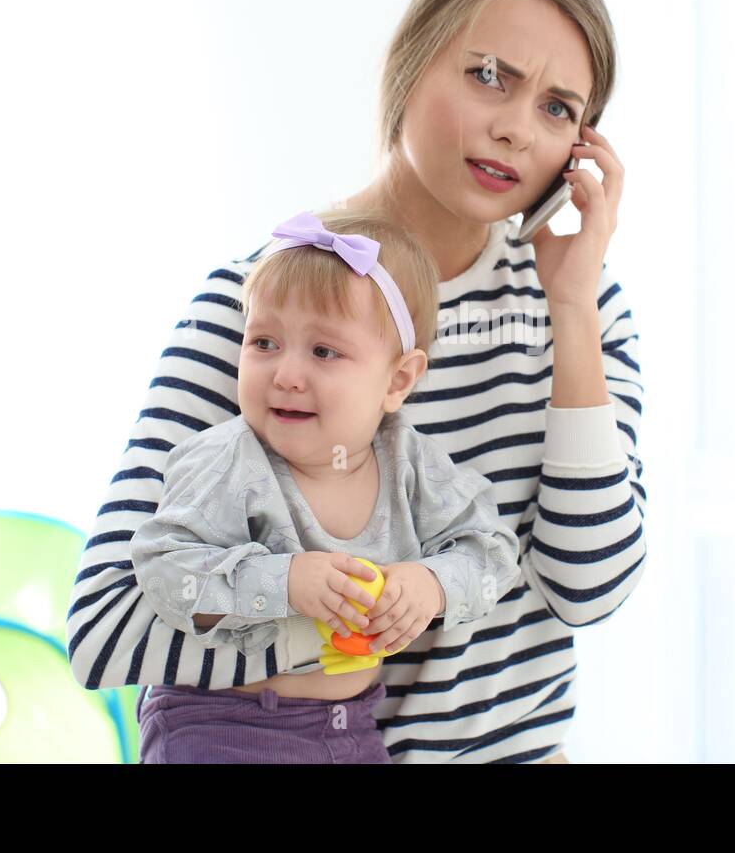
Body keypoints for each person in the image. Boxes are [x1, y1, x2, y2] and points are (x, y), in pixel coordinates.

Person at [67, 0, 646, 764]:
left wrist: (573, 311)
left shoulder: (584, 307)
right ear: (411, 60)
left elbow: (587, 589)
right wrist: (339, 618)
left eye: (558, 108)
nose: (518, 128)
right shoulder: (262, 312)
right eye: (490, 76)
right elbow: (104, 630)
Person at [129, 211, 521, 763]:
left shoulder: (409, 465)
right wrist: (284, 581)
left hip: (351, 729)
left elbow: (495, 551)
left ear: (398, 379)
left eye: (323, 352)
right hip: (222, 725)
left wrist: (432, 585)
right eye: (264, 342)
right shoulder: (229, 458)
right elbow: (162, 566)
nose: (286, 373)